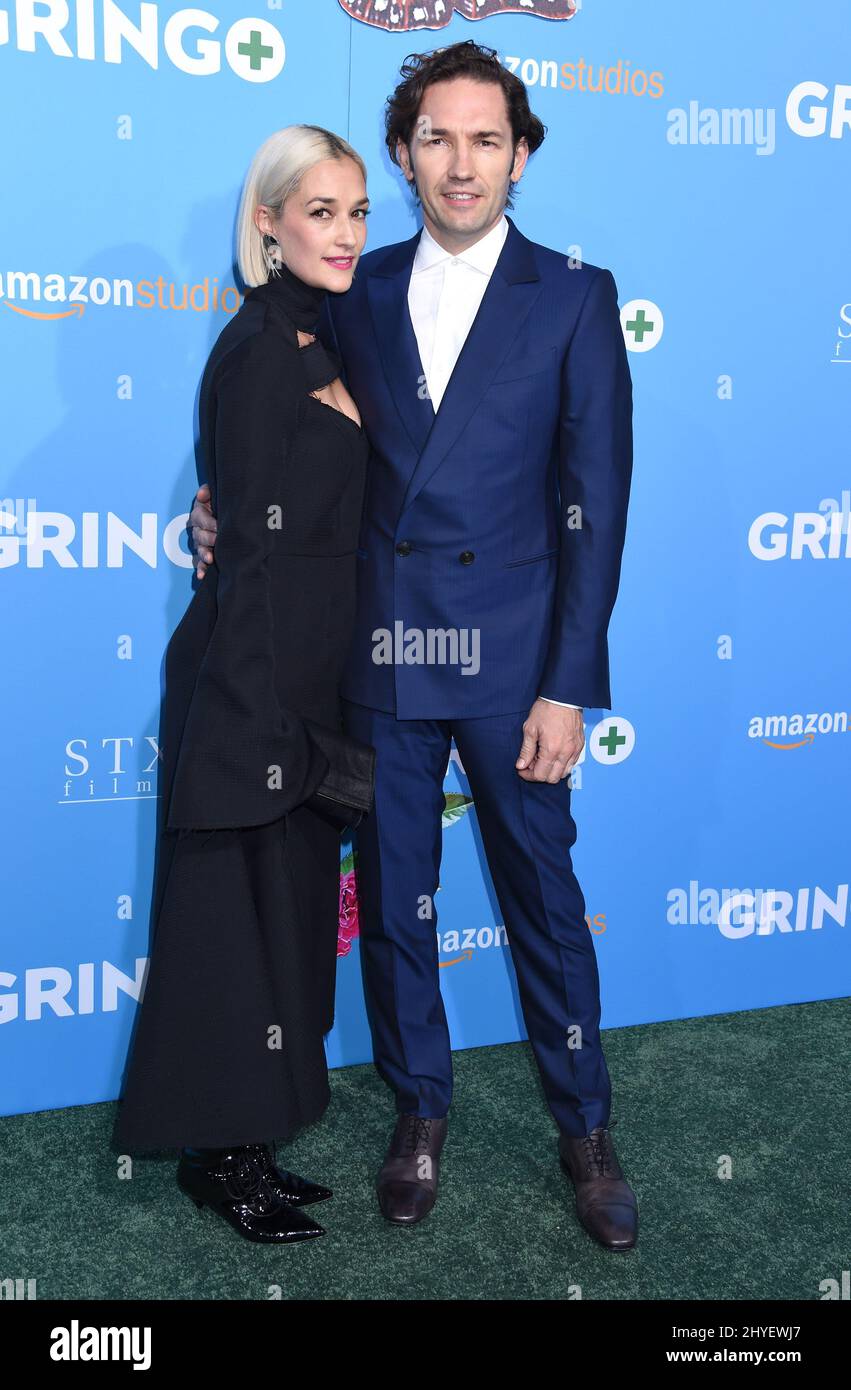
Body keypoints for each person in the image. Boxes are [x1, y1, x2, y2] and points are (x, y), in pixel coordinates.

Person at [190, 42, 638, 1251]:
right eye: (434, 137)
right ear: (401, 155)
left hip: (513, 665)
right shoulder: (358, 289)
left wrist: (567, 684)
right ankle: (419, 1112)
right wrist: (224, 506)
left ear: (520, 154)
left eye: (483, 138)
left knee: (543, 903)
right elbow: (293, 439)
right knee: (396, 907)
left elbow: (594, 504)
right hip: (382, 660)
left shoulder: (574, 298)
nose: (459, 162)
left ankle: (584, 1127)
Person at [111, 125, 376, 1246]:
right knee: (231, 928)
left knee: (282, 924)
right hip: (250, 686)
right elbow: (255, 558)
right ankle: (221, 1162)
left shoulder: (326, 337)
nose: (346, 233)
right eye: (320, 212)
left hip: (305, 684)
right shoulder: (258, 352)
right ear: (266, 223)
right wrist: (268, 723)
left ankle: (251, 1143)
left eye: (359, 211)